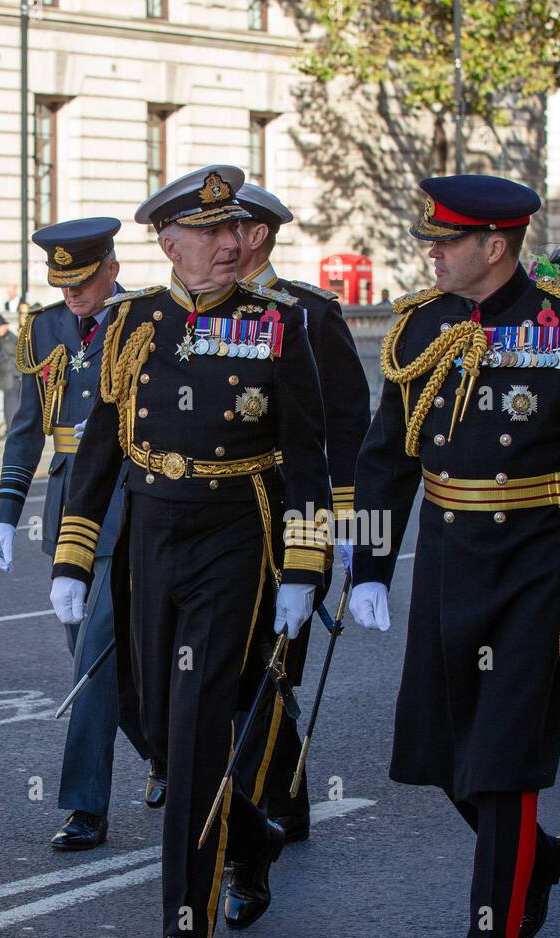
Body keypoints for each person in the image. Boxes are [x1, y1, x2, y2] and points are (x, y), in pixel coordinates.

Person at [349, 174, 560, 938]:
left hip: (537, 563)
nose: (431, 252)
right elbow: (386, 458)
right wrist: (371, 565)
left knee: (507, 760)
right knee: (442, 751)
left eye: (447, 240)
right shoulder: (421, 324)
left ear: (496, 245)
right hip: (448, 555)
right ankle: (538, 859)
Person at [49, 165, 330, 938]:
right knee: (152, 716)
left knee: (201, 721)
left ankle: (184, 928)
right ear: (169, 242)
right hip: (148, 537)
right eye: (212, 234)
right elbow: (99, 443)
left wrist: (305, 566)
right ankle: (252, 837)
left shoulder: (280, 325)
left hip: (236, 535)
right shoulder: (133, 322)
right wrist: (73, 556)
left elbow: (308, 456)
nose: (233, 244)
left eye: (237, 230)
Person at [207, 181, 372, 840]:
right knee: (227, 668)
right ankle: (257, 798)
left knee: (273, 668)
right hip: (223, 520)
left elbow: (347, 423)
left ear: (258, 236)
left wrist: (351, 522)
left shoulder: (305, 312)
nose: (219, 240)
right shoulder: (204, 311)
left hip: (291, 517)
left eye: (231, 228)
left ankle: (278, 803)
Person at [0, 217, 149, 853]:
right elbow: (28, 426)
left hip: (126, 500)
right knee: (95, 653)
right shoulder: (45, 328)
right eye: (63, 283)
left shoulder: (144, 320)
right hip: (66, 504)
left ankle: (86, 805)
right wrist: (6, 508)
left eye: (82, 281)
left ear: (111, 265)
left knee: (94, 657)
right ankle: (165, 753)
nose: (73, 294)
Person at [0, 314, 19, 433]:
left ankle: (11, 431)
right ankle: (10, 429)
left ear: (5, 325)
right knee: (9, 406)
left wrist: (16, 375)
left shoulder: (9, 340)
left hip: (11, 378)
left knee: (11, 406)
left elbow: (17, 359)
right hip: (8, 378)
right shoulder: (4, 340)